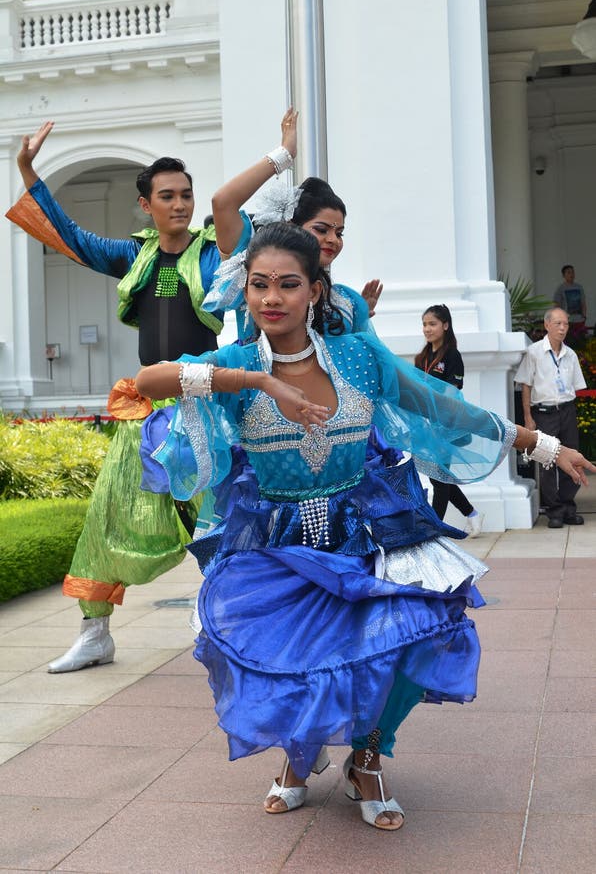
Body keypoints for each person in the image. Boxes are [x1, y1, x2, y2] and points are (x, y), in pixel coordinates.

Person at [136, 223, 594, 832]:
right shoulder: (236, 364)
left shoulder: (357, 355)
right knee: (293, 660)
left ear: (316, 291)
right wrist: (258, 380)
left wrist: (541, 444)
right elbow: (146, 382)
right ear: (245, 292)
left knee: (405, 640)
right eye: (259, 285)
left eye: (288, 284)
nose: (272, 298)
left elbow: (440, 404)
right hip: (279, 540)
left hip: (365, 529)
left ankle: (368, 761)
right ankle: (299, 757)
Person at [5, 121, 251, 672]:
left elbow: (260, 263)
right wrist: (27, 171)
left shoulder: (214, 256)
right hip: (143, 409)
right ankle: (95, 634)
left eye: (186, 194)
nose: (180, 204)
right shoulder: (135, 256)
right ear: (146, 205)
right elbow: (72, 237)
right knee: (108, 514)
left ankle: (236, 630)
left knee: (224, 517)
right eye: (168, 196)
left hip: (202, 406)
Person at [206, 107, 383, 337]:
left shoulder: (344, 301)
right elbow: (223, 202)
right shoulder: (254, 266)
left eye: (339, 233)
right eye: (321, 229)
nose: (333, 240)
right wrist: (285, 154)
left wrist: (357, 316)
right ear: (292, 226)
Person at [414, 305, 484, 536]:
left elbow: (452, 392)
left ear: (445, 325)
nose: (427, 329)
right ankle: (472, 514)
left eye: (432, 324)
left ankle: (435, 530)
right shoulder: (422, 358)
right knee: (438, 477)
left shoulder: (452, 355)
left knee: (440, 477)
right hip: (428, 425)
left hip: (448, 425)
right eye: (425, 324)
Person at [515, 307, 587, 528]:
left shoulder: (570, 354)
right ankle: (553, 510)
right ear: (547, 325)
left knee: (571, 457)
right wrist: (528, 417)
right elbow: (525, 385)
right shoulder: (534, 352)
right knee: (547, 460)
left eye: (566, 324)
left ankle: (568, 506)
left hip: (566, 410)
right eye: (558, 323)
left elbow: (576, 387)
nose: (562, 328)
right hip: (543, 413)